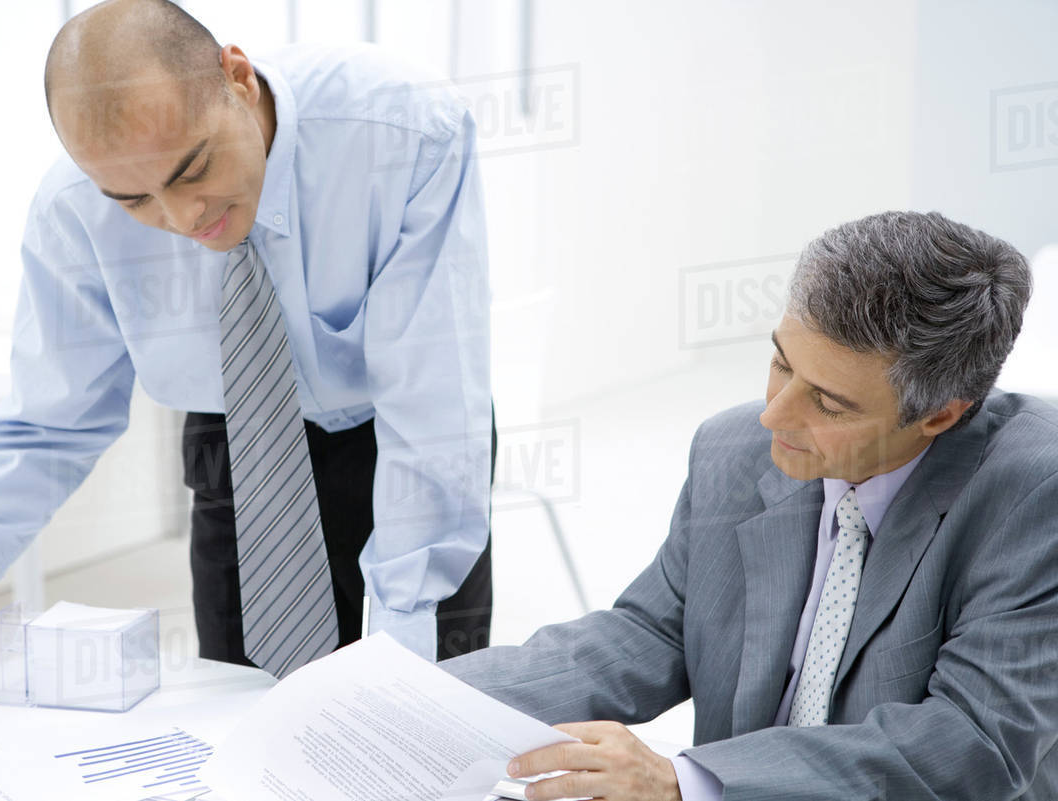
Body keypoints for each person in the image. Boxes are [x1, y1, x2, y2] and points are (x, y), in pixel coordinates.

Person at [0, 0, 495, 710]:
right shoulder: (75, 211)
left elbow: (430, 407)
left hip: (398, 444)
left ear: (238, 77)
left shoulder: (403, 131)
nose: (183, 218)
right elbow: (47, 427)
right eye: (135, 200)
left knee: (422, 722)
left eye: (194, 168)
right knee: (246, 718)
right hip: (242, 456)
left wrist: (402, 674)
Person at [443, 211, 1058, 800]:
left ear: (941, 414)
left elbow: (972, 742)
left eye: (830, 404)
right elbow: (650, 632)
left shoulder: (1034, 493)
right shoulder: (732, 449)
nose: (773, 415)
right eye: (780, 364)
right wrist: (434, 701)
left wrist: (680, 784)